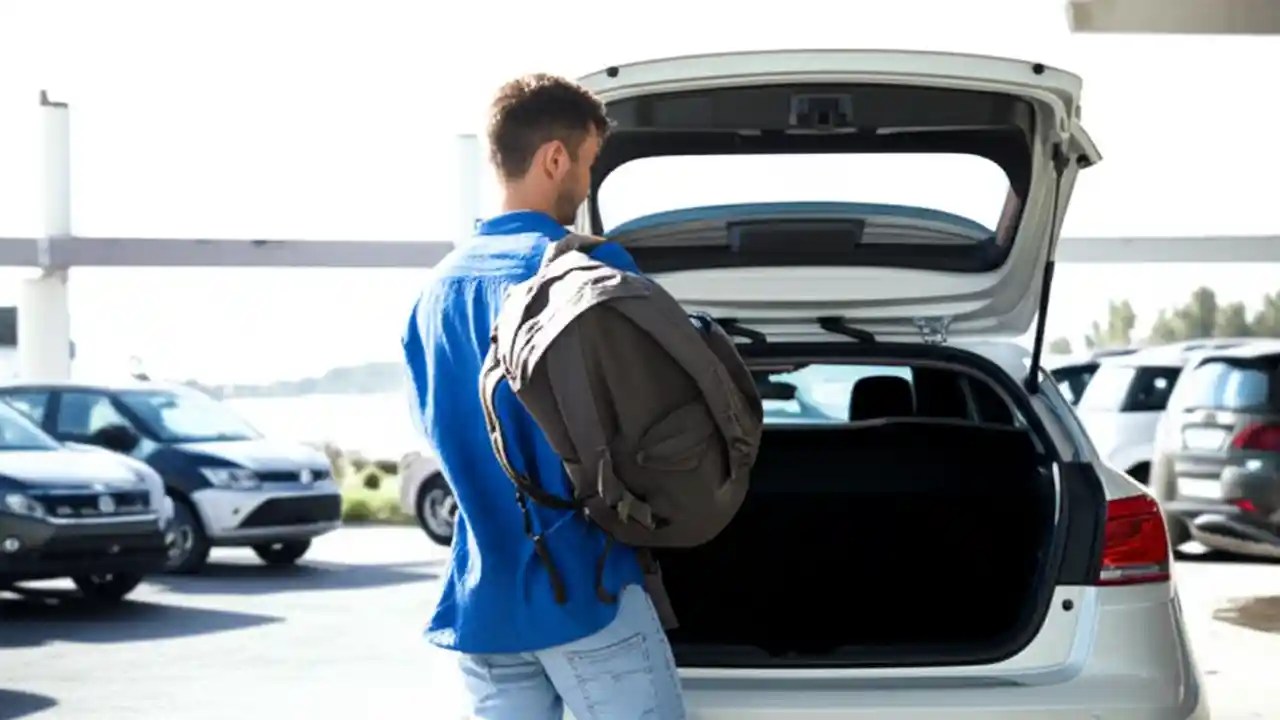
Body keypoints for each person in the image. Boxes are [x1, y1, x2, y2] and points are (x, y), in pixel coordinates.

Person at [401, 74, 687, 720]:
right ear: (555, 157)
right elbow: (653, 428)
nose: (586, 182)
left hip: (484, 608)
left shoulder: (433, 294)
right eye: (588, 162)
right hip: (587, 594)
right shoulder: (591, 271)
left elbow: (438, 437)